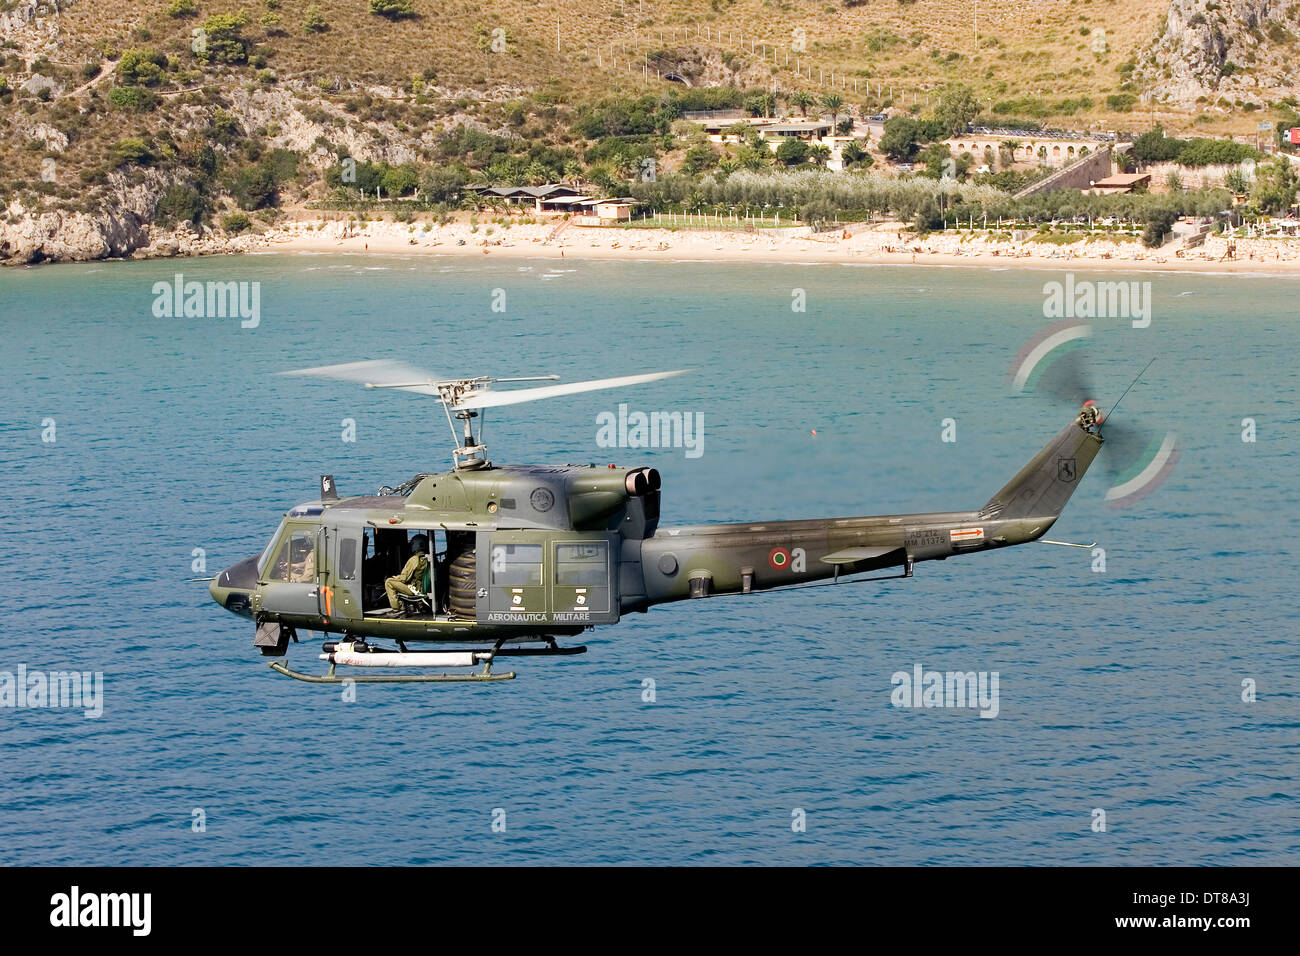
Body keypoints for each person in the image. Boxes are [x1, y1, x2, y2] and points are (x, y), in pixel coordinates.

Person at [385, 535, 430, 613]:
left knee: (389, 582)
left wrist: (396, 578)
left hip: (414, 589)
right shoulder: (427, 558)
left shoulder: (414, 559)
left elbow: (404, 578)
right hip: (421, 588)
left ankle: (397, 608)